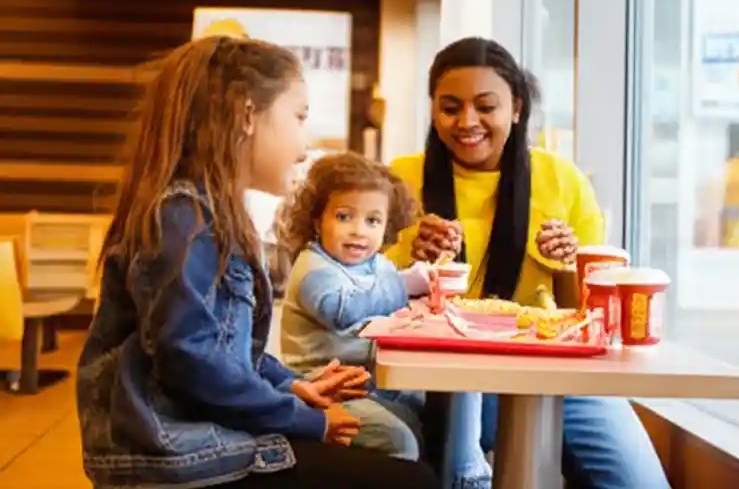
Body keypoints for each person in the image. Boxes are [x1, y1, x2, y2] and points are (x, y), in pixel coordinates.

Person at [77, 36, 438, 488]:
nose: (305, 146)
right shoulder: (186, 218)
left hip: (190, 438)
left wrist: (289, 385)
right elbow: (190, 361)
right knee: (414, 480)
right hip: (172, 452)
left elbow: (227, 349)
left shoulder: (204, 213)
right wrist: (301, 418)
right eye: (299, 117)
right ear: (247, 116)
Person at [388, 36, 669, 489]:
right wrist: (406, 262)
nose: (467, 122)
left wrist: (565, 267)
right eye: (450, 107)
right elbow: (355, 294)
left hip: (553, 374)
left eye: (486, 106)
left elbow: (590, 316)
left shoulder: (561, 180)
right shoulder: (399, 179)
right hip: (435, 378)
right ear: (433, 110)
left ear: (516, 108)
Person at [276, 151, 457, 474]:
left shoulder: (374, 263)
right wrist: (405, 285)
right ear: (317, 220)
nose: (359, 231)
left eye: (372, 221)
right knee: (400, 440)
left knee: (431, 418)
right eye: (344, 217)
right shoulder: (314, 269)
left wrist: (414, 288)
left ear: (387, 227)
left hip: (368, 384)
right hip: (323, 391)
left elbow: (387, 299)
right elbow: (345, 309)